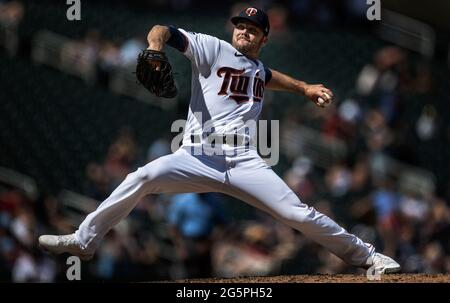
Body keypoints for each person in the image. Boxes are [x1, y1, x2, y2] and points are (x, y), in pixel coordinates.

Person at [39, 7, 400, 274]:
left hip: (243, 159)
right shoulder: (212, 48)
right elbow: (164, 29)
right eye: (241, 26)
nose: (244, 31)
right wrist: (154, 47)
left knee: (296, 213)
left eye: (252, 28)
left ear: (264, 38)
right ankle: (84, 240)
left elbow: (271, 76)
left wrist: (305, 88)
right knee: (142, 177)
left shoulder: (258, 69)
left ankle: (369, 257)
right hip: (197, 154)